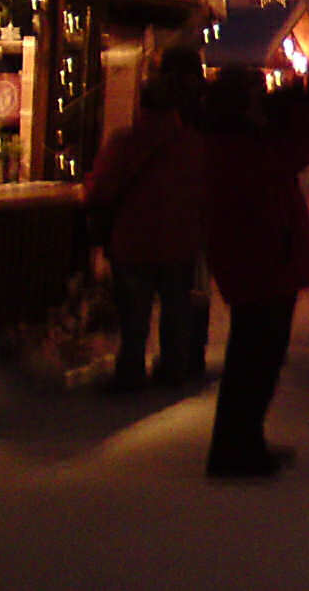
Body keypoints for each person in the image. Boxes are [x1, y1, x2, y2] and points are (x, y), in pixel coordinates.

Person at [201, 70, 309, 480]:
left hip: (258, 260)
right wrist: (300, 109)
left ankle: (243, 441)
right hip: (262, 261)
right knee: (255, 359)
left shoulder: (229, 142)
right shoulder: (241, 146)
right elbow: (297, 152)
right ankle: (236, 448)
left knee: (254, 358)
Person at [86, 47, 208, 391]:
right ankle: (174, 367)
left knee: (134, 314)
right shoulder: (192, 143)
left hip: (133, 239)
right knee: (175, 307)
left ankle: (131, 371)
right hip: (178, 239)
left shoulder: (125, 141)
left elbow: (102, 188)